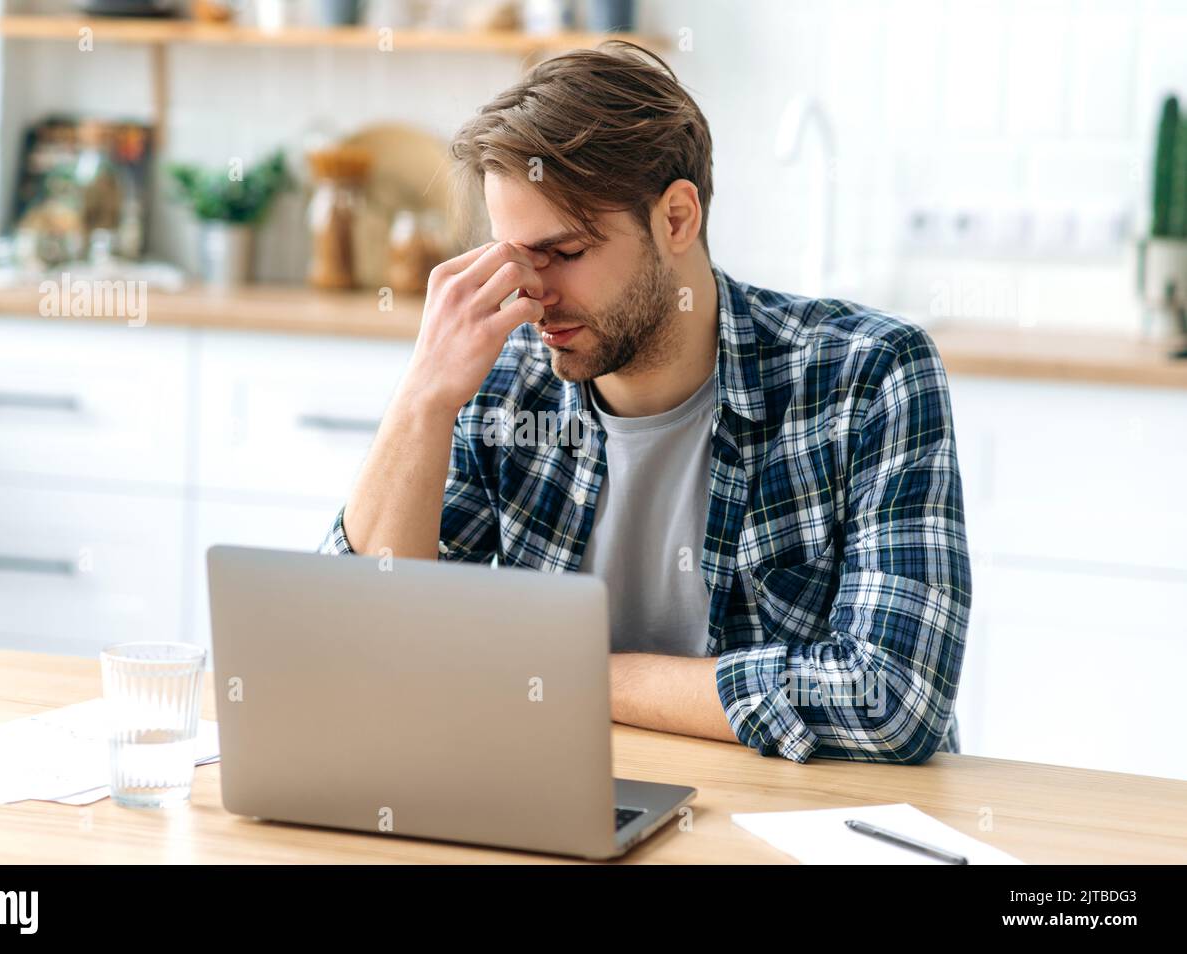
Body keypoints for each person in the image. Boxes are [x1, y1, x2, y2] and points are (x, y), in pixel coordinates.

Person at [320, 41, 971, 764]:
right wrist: (422, 398)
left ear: (677, 219)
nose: (533, 297)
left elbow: (892, 698)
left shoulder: (869, 375)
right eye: (514, 257)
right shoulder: (504, 381)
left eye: (564, 254)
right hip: (562, 796)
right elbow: (360, 655)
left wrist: (575, 674)